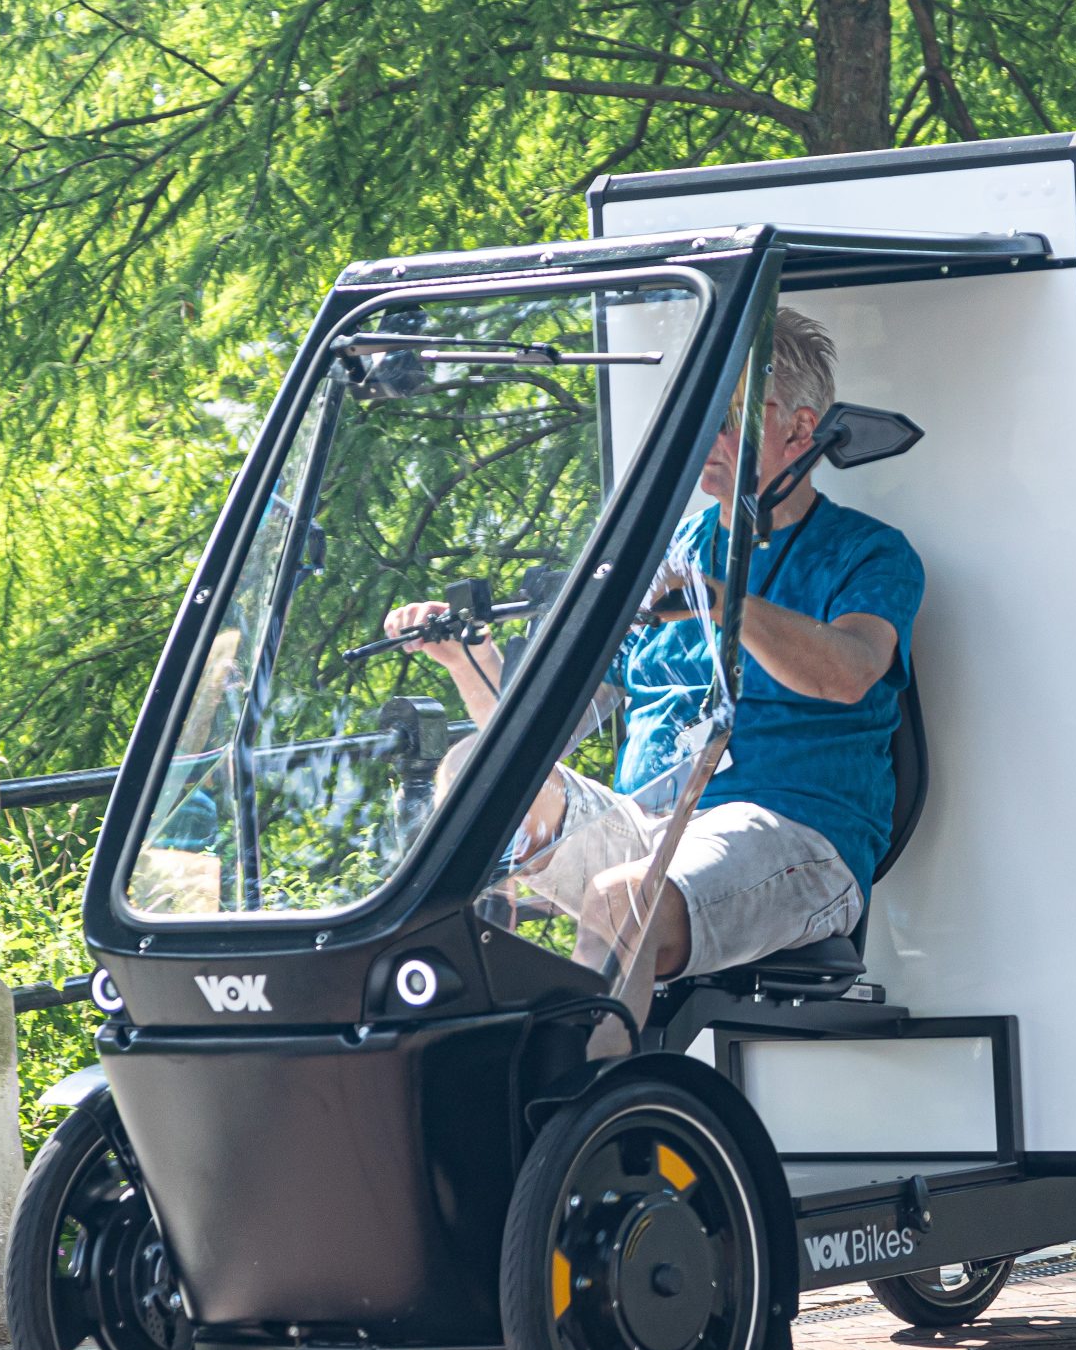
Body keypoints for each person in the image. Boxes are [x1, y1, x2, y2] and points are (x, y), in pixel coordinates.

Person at [382, 308, 923, 1006]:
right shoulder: (665, 555)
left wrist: (722, 601)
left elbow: (848, 673)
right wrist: (468, 661)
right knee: (471, 768)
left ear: (799, 430)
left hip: (793, 838)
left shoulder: (868, 552)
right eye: (700, 418)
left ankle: (587, 1072)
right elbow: (541, 740)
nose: (707, 439)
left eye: (728, 420)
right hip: (647, 831)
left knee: (622, 898)